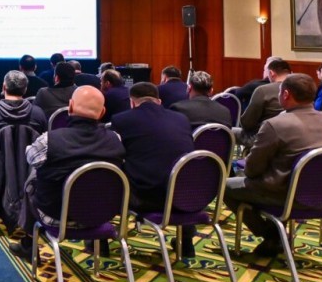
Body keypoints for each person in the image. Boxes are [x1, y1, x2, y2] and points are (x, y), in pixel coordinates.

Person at [224, 74, 322, 257]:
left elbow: (252, 170)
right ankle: (275, 234)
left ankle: (272, 234)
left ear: (286, 94)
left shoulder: (276, 125)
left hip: (284, 196)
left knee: (224, 186)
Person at [25, 85, 125, 257]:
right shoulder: (115, 139)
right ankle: (99, 243)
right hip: (102, 215)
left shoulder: (49, 140)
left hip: (57, 217)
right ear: (102, 113)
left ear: (70, 107)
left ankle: (28, 245)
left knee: (31, 180)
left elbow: (30, 158)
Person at [112, 82, 197, 257]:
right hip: (186, 196)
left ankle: (99, 241)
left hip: (148, 198)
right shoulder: (181, 119)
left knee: (109, 174)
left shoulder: (122, 120)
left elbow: (115, 155)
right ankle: (186, 241)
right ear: (159, 101)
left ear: (132, 102)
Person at [0, 70, 48, 144]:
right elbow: (45, 142)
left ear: (4, 87)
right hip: (30, 152)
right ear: (25, 89)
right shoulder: (38, 113)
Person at [239, 59, 291, 137]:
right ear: (290, 73)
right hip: (292, 135)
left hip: (264, 137)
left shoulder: (262, 90)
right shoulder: (300, 89)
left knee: (230, 132)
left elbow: (247, 123)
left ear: (271, 73)